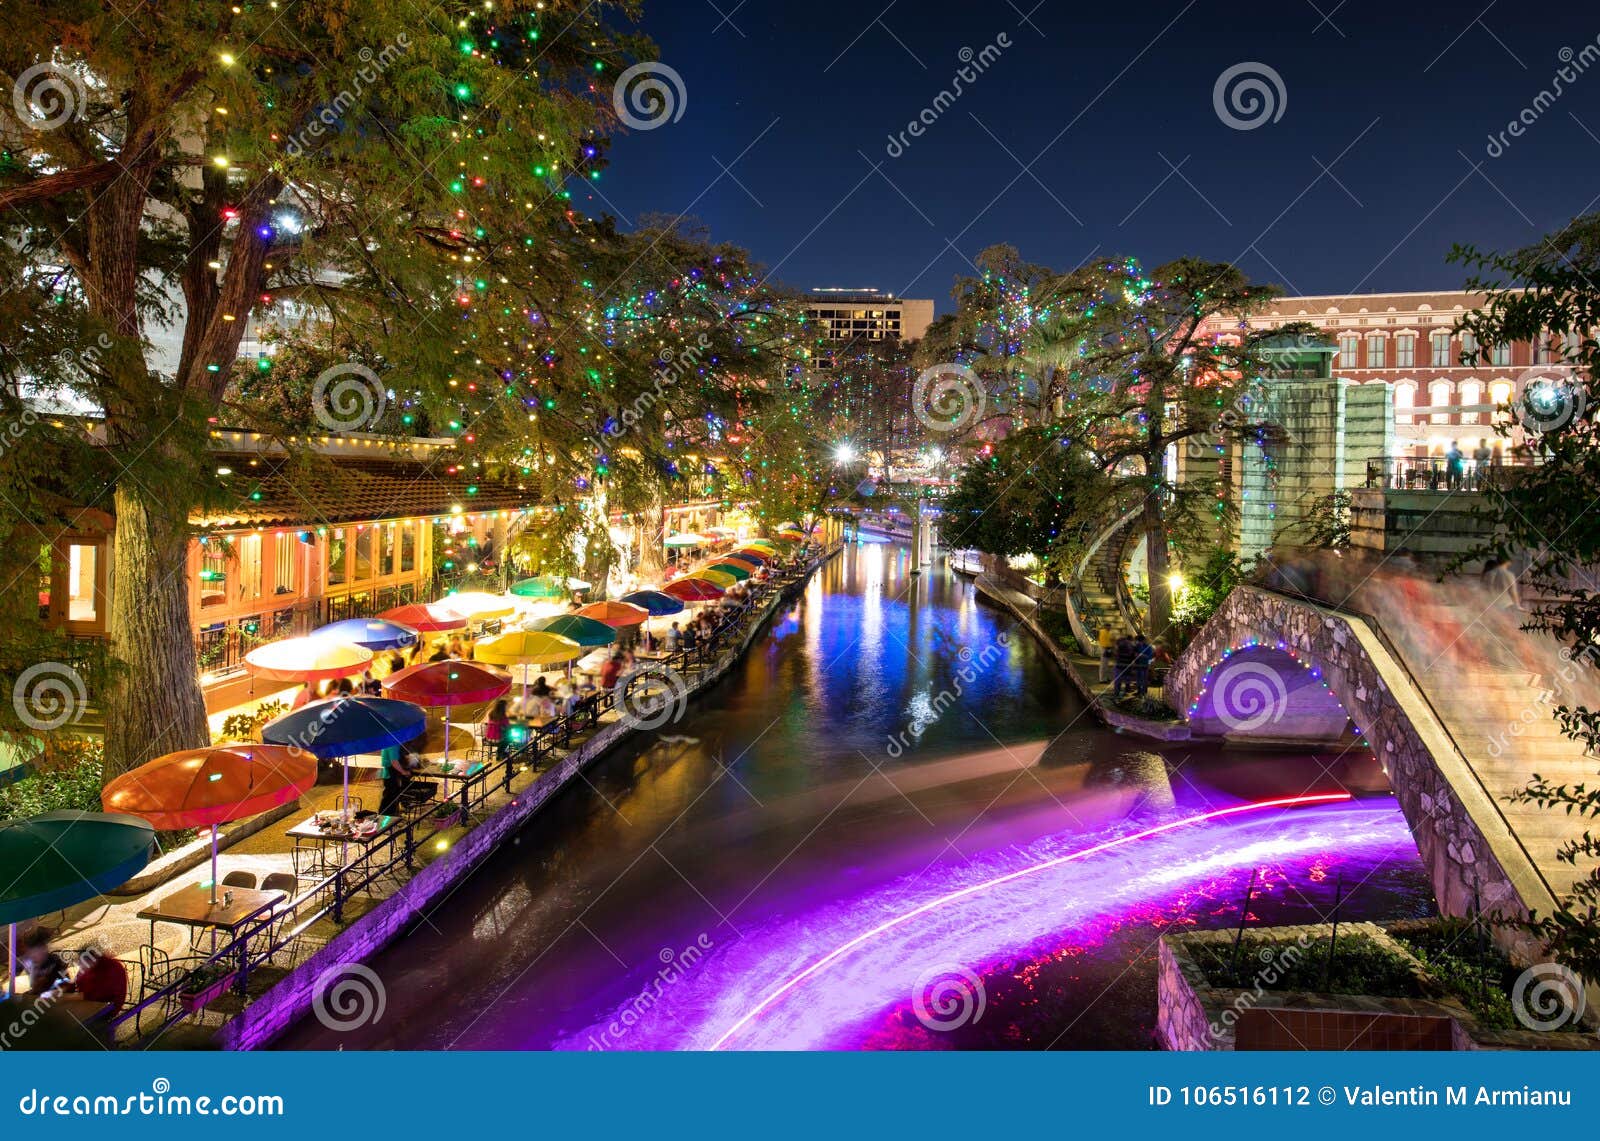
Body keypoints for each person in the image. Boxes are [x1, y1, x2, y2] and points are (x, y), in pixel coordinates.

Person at [71, 945, 128, 1016]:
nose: (80, 965)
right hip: (91, 1003)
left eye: (81, 962)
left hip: (109, 1008)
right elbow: (78, 982)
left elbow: (93, 994)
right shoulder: (89, 967)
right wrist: (68, 988)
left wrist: (68, 997)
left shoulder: (109, 968)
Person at [16, 927, 69, 996]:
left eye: (35, 953)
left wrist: (50, 993)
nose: (31, 956)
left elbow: (67, 985)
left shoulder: (55, 962)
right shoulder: (32, 964)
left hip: (56, 997)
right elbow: (34, 987)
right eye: (30, 953)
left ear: (44, 949)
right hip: (39, 997)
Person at [379, 745, 420, 814]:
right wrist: (404, 772)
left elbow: (398, 758)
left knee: (392, 797)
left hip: (392, 774)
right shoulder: (393, 745)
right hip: (390, 775)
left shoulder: (393, 743)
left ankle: (392, 815)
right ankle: (386, 817)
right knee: (390, 798)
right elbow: (394, 762)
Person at [1111, 633, 1136, 699]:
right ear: (1131, 639)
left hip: (1119, 664)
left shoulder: (1120, 643)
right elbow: (1133, 656)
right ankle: (1127, 689)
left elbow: (1115, 653)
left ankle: (1117, 693)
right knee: (1127, 678)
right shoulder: (1131, 645)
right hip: (1127, 665)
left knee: (1118, 680)